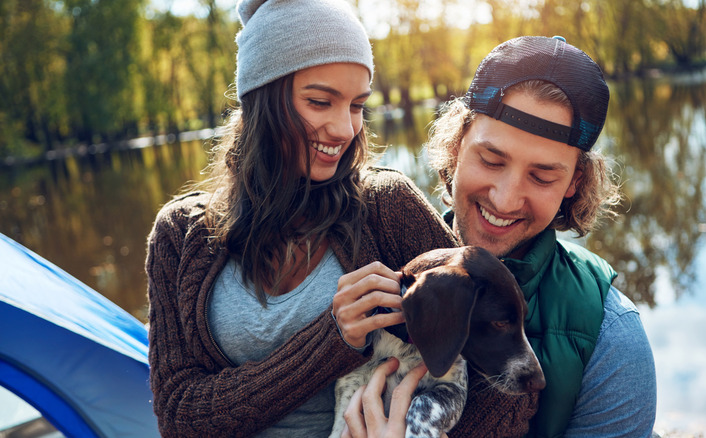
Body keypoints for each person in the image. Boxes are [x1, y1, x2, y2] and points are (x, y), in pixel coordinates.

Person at [145, 1, 537, 437]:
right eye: (320, 101)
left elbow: (509, 396)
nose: (344, 129)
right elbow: (180, 416)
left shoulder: (386, 206)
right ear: (261, 98)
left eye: (356, 105)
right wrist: (333, 341)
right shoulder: (179, 234)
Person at [346, 36, 657, 437]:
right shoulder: (376, 259)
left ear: (573, 184)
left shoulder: (612, 340)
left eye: (542, 176)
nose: (505, 199)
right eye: (491, 160)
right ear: (456, 149)